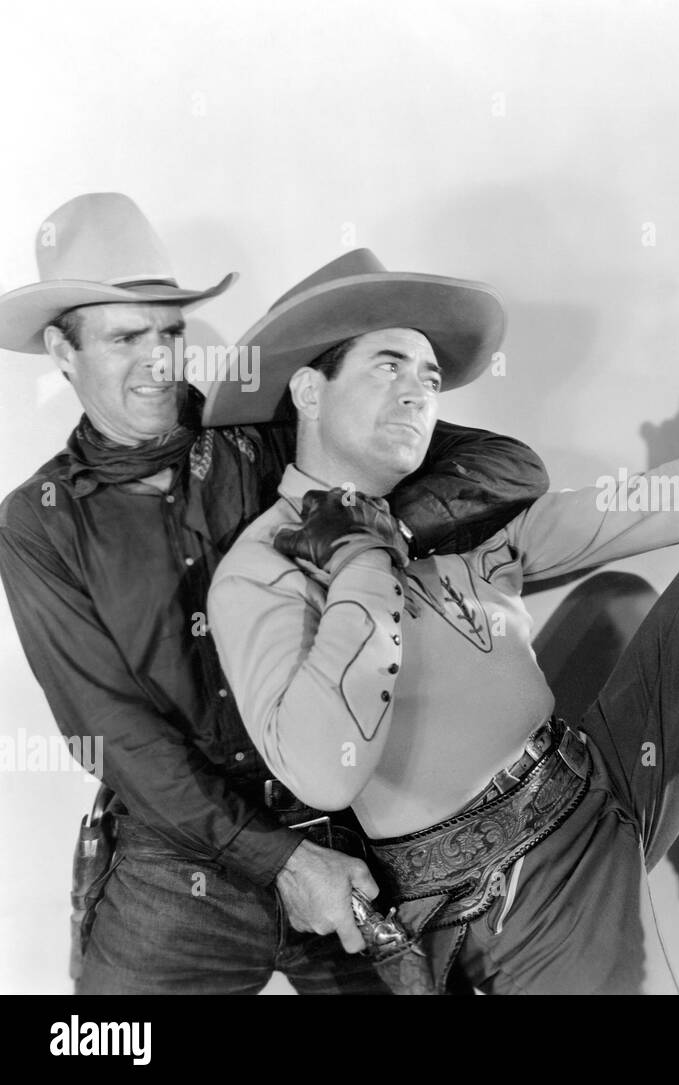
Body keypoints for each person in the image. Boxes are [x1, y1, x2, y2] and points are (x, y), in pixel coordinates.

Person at [207, 247, 679, 994]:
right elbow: (324, 770)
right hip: (509, 887)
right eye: (388, 366)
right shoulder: (261, 571)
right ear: (309, 388)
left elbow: (654, 503)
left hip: (603, 773)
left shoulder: (457, 524)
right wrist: (362, 564)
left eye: (430, 379)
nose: (417, 395)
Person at [0, 193, 550, 994]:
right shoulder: (35, 524)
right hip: (175, 856)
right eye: (126, 336)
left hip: (351, 822)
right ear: (62, 347)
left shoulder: (262, 431)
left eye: (171, 331)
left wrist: (362, 523)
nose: (160, 360)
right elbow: (114, 735)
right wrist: (283, 859)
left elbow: (511, 469)